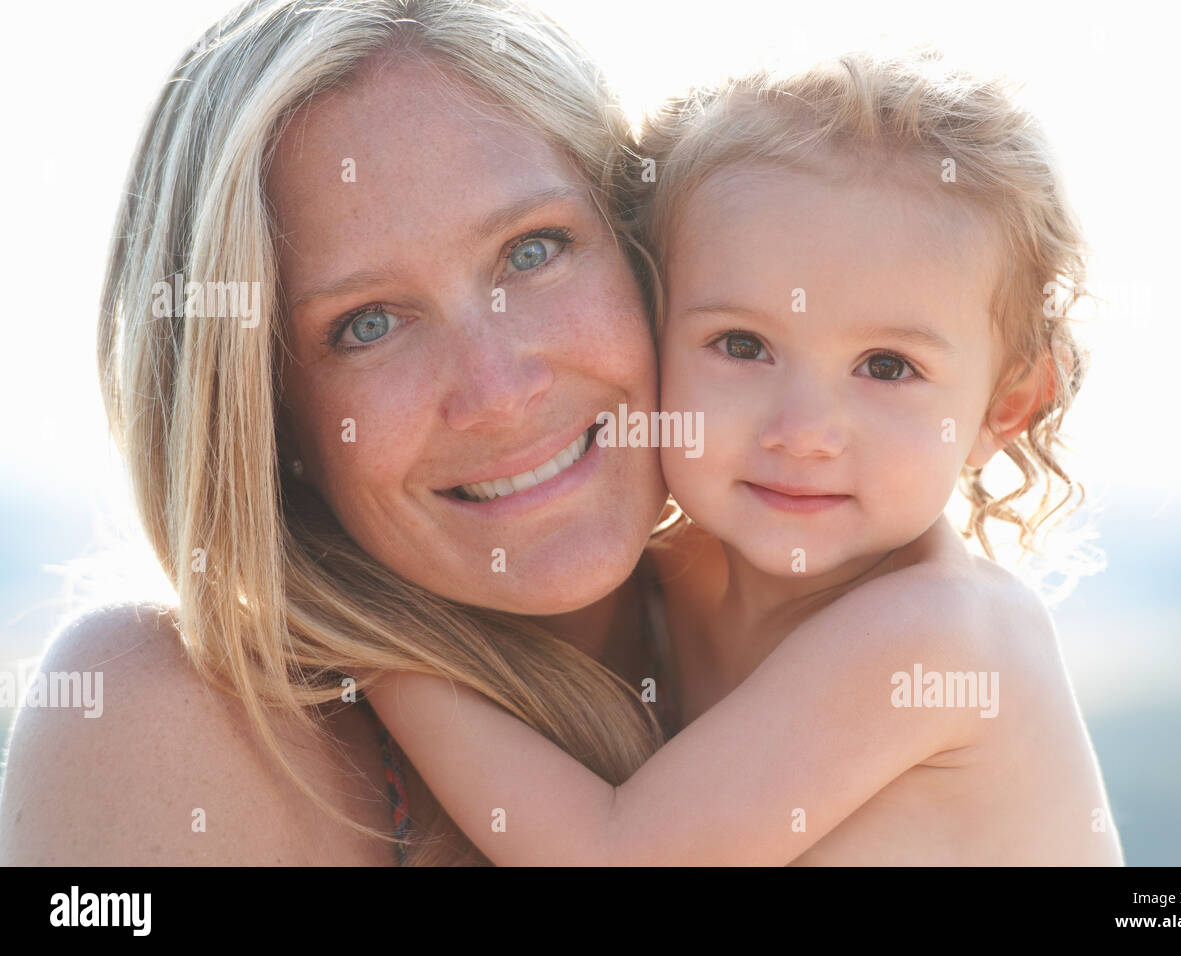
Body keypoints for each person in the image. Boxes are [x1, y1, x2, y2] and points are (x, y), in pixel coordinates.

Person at [366, 48, 1126, 865]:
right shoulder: (665, 580)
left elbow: (612, 855)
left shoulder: (944, 634)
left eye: (887, 367)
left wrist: (369, 645)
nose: (802, 430)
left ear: (1004, 407)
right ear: (649, 329)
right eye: (742, 344)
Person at [0, 0, 692, 866]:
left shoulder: (873, 643)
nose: (498, 390)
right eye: (369, 324)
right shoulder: (158, 717)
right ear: (264, 421)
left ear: (641, 246)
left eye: (533, 250)